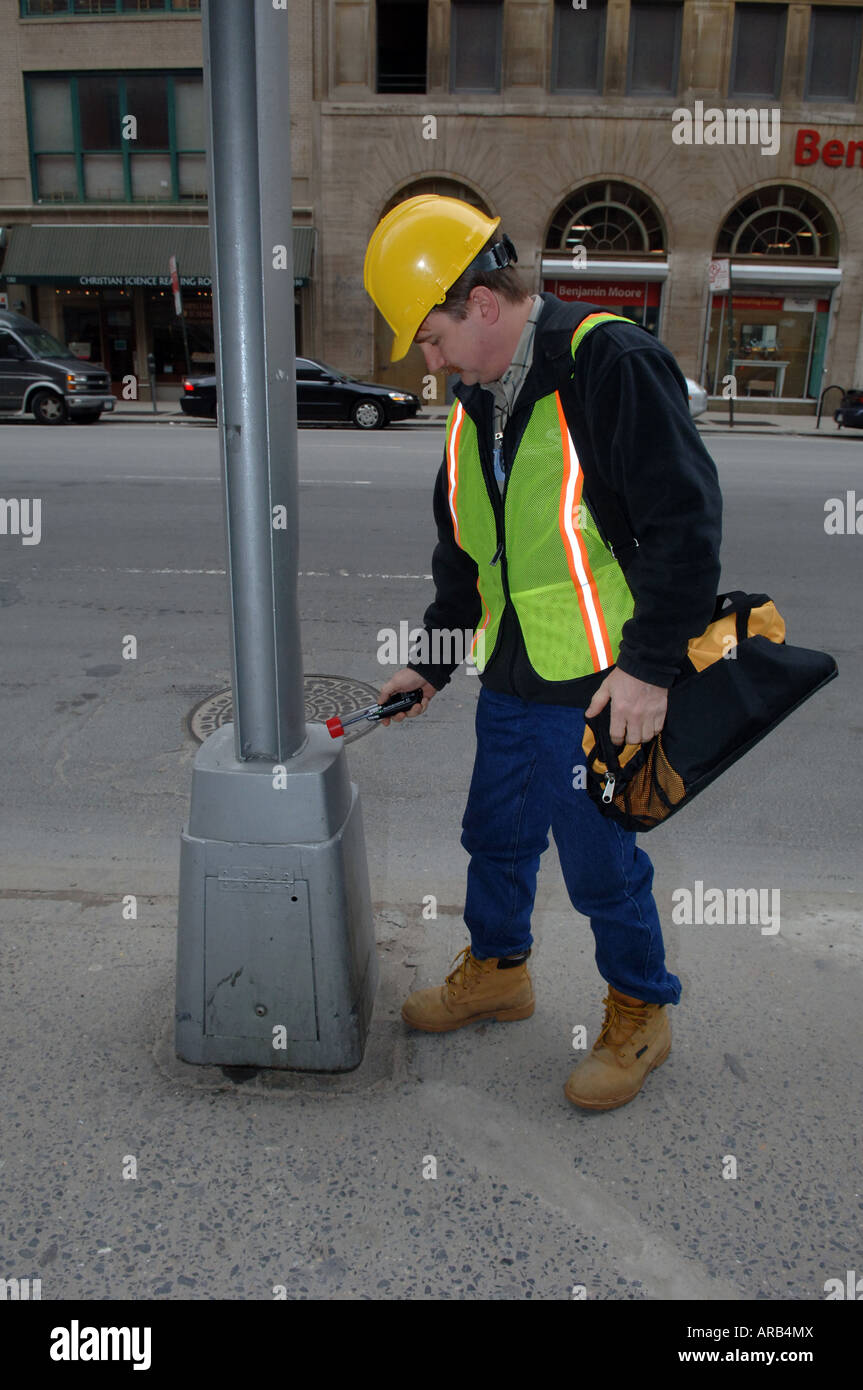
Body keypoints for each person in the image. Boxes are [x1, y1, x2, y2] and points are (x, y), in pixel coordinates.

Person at [363, 195, 722, 1110]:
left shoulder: (609, 361)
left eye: (432, 337)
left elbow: (684, 526)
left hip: (602, 683)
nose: (429, 361)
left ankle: (640, 1011)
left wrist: (647, 669)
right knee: (496, 837)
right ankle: (498, 972)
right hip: (514, 677)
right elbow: (464, 559)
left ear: (483, 304)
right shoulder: (471, 404)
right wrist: (431, 662)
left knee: (602, 866)